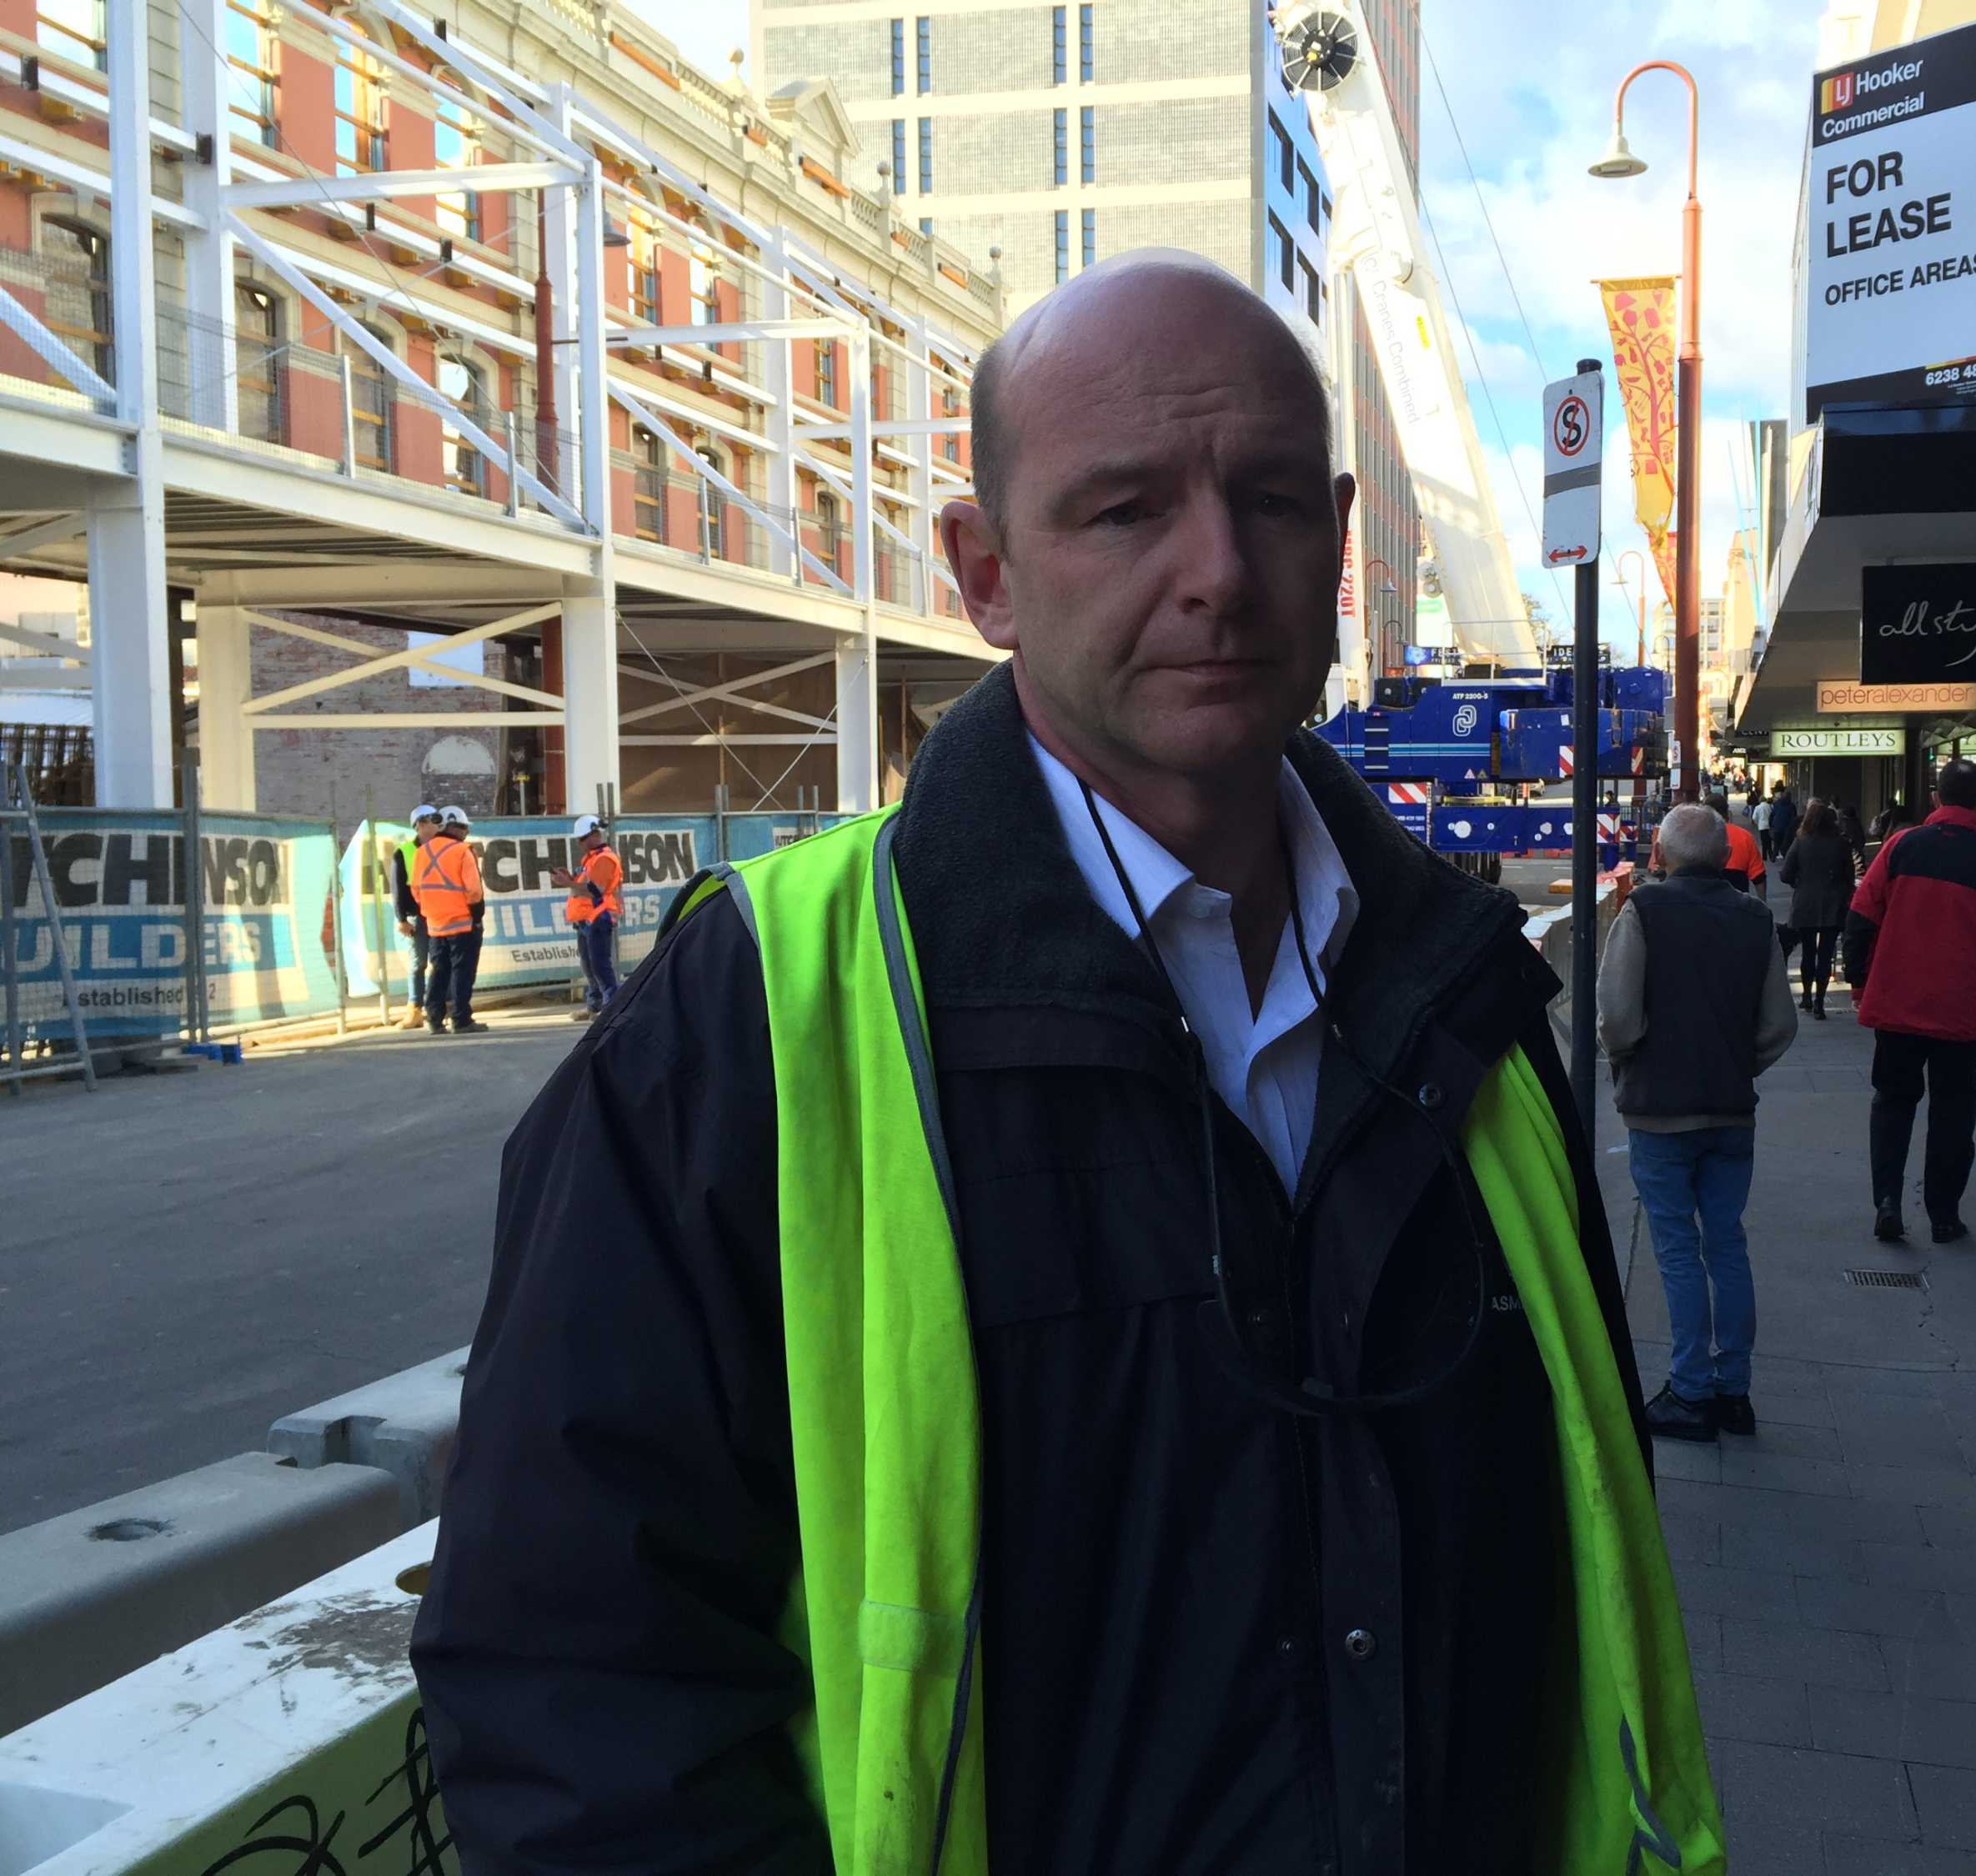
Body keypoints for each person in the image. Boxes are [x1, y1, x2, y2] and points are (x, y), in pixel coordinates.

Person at [413, 252, 1724, 1876]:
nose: (1218, 572)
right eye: (1123, 512)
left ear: (1336, 546)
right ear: (985, 574)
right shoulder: (752, 1015)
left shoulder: (1466, 1006)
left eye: (1266, 501)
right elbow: (568, 1683)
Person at [1597, 804, 1796, 1445]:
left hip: (1659, 1111)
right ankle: (1734, 1392)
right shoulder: (1756, 918)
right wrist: (1740, 1064)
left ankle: (1689, 1391)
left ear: (1661, 853)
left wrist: (1626, 1058)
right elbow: (1779, 1027)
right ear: (1726, 857)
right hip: (1731, 1112)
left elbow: (1619, 1016)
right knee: (1727, 1245)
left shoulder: (1645, 912)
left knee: (1677, 1252)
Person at [1842, 759, 1976, 1245]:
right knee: (1953, 1109)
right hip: (1961, 1009)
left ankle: (1888, 1201)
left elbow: (1861, 917)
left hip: (1899, 1001)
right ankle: (1944, 1214)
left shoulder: (1901, 846)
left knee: (1893, 1101)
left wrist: (1861, 982)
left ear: (1936, 798)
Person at [412, 805, 488, 1035]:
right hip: (463, 923)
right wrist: (477, 916)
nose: (466, 832)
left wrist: (432, 911)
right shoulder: (463, 851)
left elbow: (416, 890)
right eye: (464, 827)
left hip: (435, 924)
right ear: (453, 827)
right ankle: (461, 1019)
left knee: (439, 971)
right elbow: (473, 890)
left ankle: (434, 1019)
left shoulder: (421, 852)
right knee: (463, 972)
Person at [1779, 798, 1857, 1020]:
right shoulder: (1841, 843)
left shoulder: (1801, 841)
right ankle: (1819, 1003)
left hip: (1806, 903)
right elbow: (1849, 875)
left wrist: (1799, 882)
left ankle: (1805, 995)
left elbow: (1786, 874)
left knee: (1808, 953)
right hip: (1833, 903)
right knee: (1826, 954)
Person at [563, 812, 624, 1020]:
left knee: (600, 964)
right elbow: (584, 888)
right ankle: (594, 1005)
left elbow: (595, 891)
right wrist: (570, 880)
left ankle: (611, 1007)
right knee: (589, 966)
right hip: (587, 920)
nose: (580, 844)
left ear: (593, 835)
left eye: (582, 839)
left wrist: (568, 883)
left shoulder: (604, 859)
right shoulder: (591, 860)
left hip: (599, 918)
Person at [389, 805, 441, 1030]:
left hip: (440, 914)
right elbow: (397, 887)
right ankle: (415, 1010)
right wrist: (401, 919)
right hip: (417, 917)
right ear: (419, 825)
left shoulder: (443, 848)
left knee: (441, 963)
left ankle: (440, 1007)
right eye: (432, 821)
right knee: (418, 963)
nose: (436, 825)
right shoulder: (404, 852)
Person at [1765, 780, 1798, 861]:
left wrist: (1771, 824)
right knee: (1786, 843)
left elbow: (1772, 815)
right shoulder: (1791, 806)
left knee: (1776, 843)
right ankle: (1786, 857)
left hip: (1777, 826)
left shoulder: (1777, 804)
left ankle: (1773, 857)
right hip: (1787, 828)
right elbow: (1794, 817)